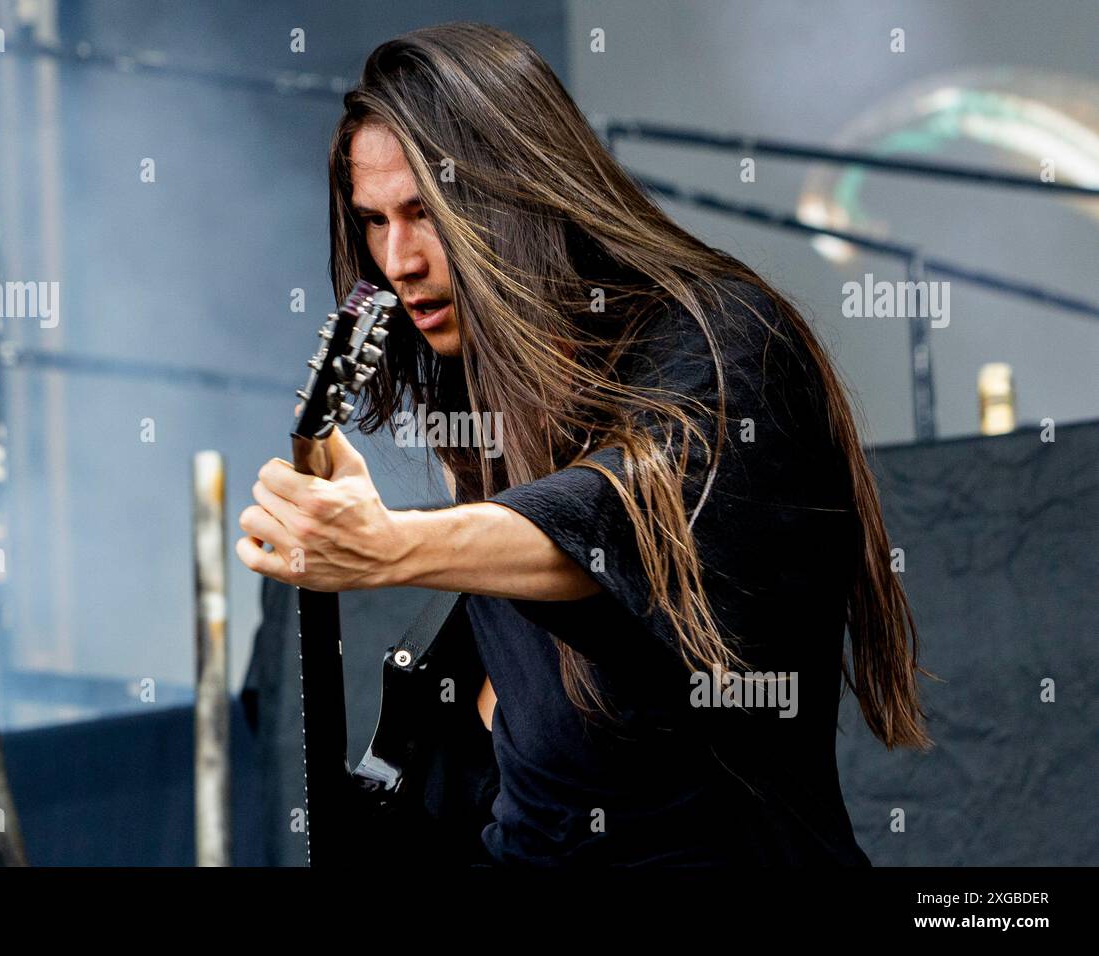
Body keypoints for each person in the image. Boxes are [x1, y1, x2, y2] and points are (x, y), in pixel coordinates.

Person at [235, 22, 932, 866]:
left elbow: (625, 519)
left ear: (516, 191)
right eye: (373, 221)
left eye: (425, 213)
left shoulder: (721, 338)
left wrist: (389, 546)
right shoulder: (489, 413)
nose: (398, 259)